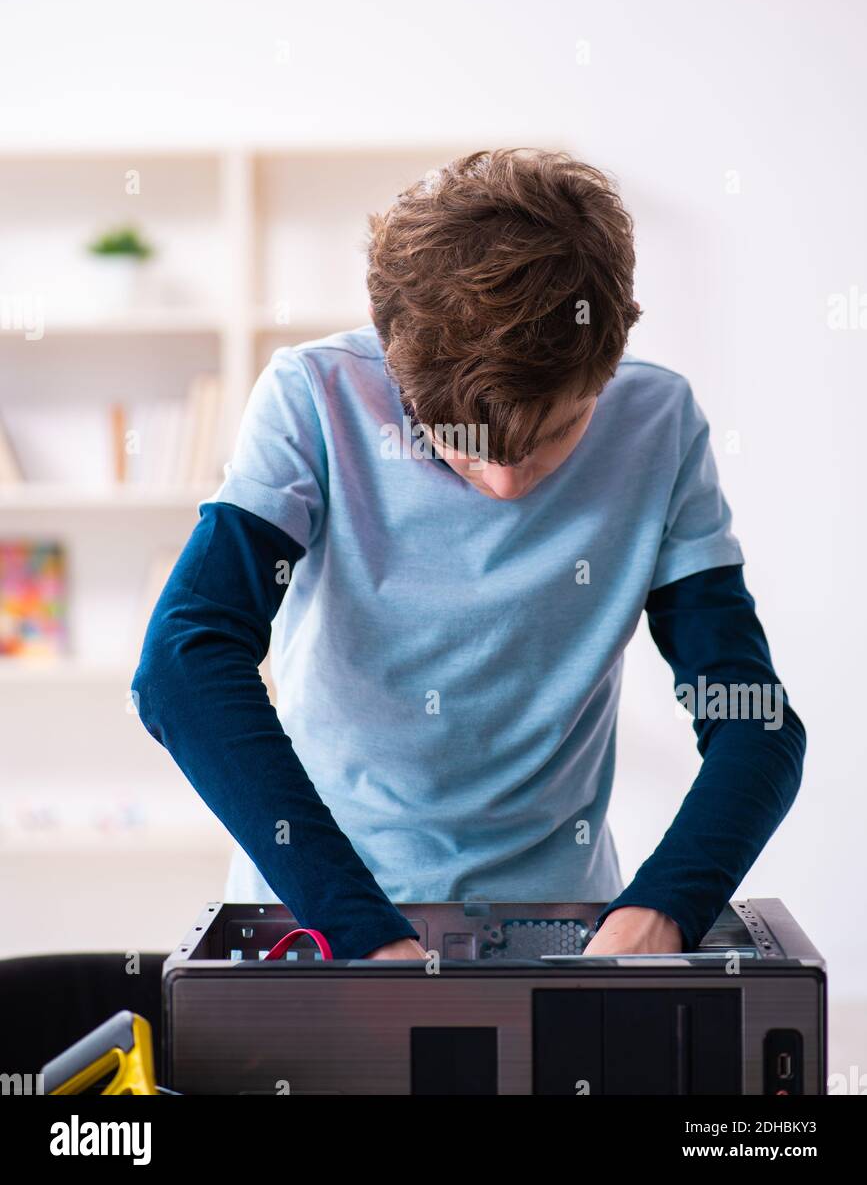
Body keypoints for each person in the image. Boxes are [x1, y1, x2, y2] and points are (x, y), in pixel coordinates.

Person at [132, 148, 805, 961]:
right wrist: (362, 932)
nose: (505, 481)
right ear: (395, 365)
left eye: (555, 432)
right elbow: (182, 665)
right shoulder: (314, 398)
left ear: (609, 354)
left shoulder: (657, 423)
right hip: (317, 918)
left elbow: (754, 719)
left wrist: (666, 905)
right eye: (460, 442)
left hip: (562, 929)